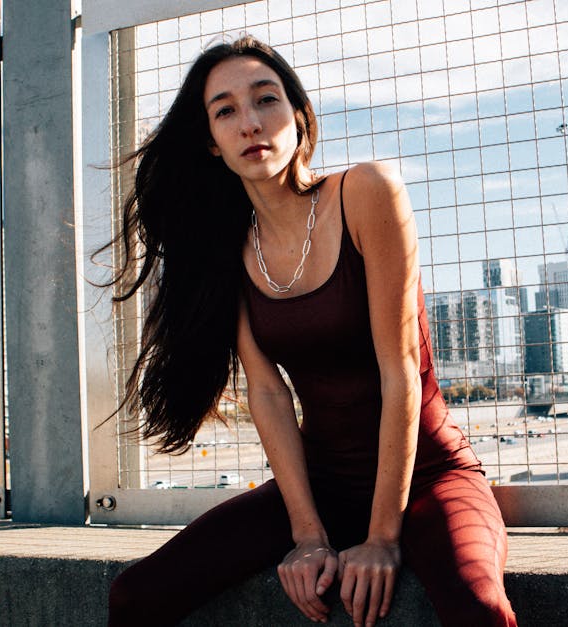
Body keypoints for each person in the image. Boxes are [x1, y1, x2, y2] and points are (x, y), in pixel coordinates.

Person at [104, 36, 517, 627]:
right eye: (225, 111)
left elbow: (399, 370)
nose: (249, 123)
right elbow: (269, 394)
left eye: (265, 100)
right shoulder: (227, 250)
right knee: (134, 596)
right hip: (322, 484)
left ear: (299, 117)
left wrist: (381, 538)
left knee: (479, 609)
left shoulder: (367, 191)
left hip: (428, 476)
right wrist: (308, 535)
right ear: (211, 144)